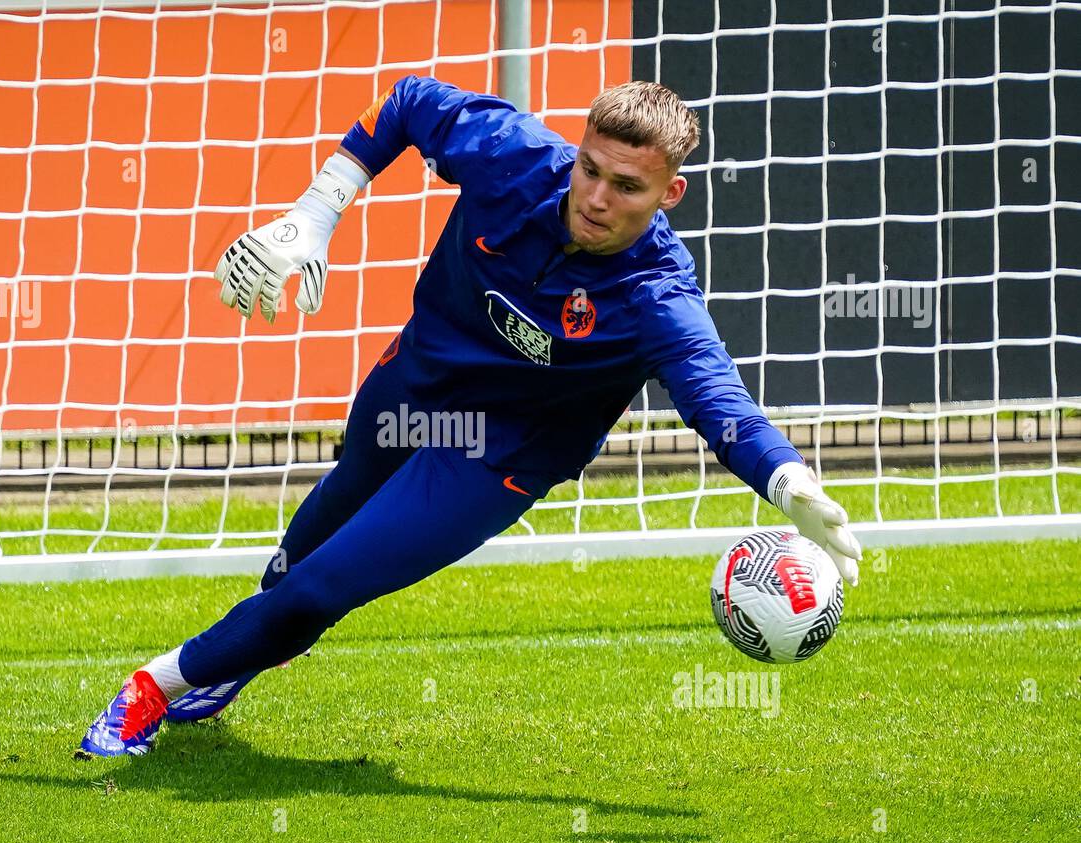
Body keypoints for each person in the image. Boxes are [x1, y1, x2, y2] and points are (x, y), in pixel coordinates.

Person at [79, 75, 862, 757]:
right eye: (591, 168)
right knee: (308, 545)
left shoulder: (659, 299)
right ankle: (242, 652)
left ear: (669, 193)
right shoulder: (515, 159)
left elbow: (718, 404)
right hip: (417, 389)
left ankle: (151, 687)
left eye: (626, 186)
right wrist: (317, 213)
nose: (594, 197)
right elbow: (409, 102)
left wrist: (788, 483)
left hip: (499, 455)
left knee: (325, 588)